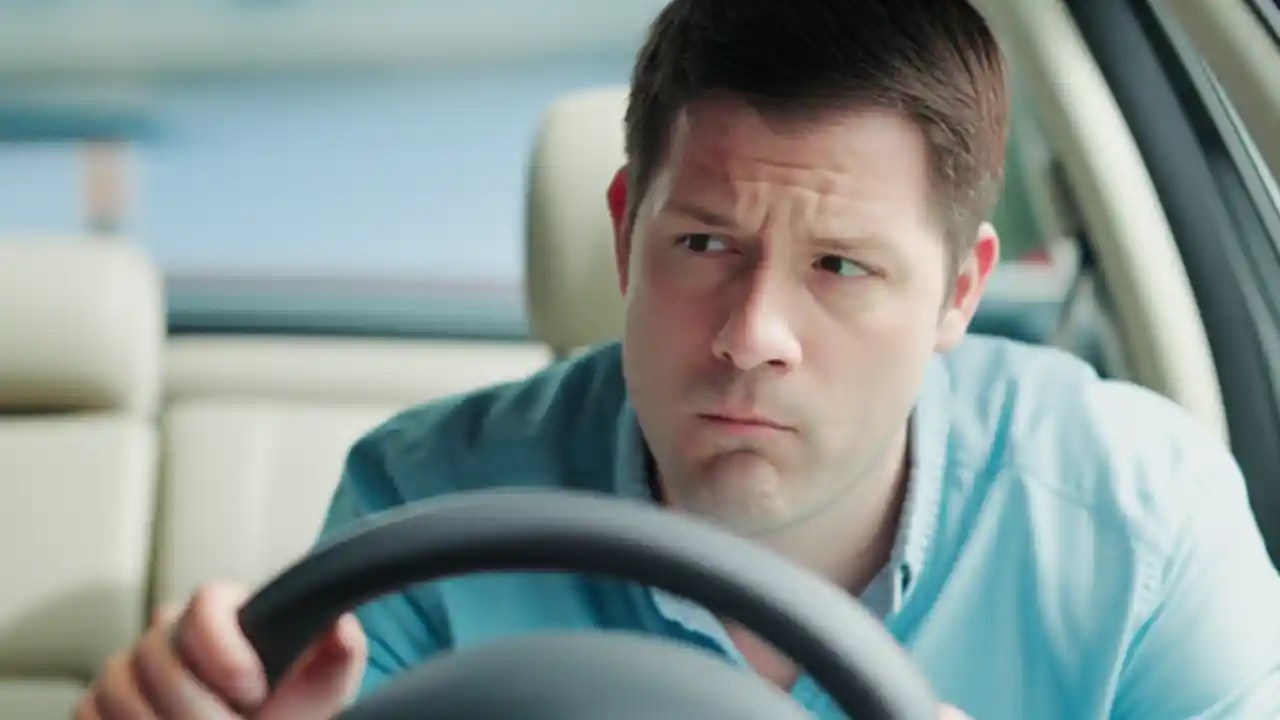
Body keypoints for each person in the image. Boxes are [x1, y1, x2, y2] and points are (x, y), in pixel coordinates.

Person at [77, 0, 1280, 718]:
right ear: (621, 232)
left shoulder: (1139, 529)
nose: (751, 333)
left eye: (840, 269)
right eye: (705, 243)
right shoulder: (423, 508)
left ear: (959, 291)